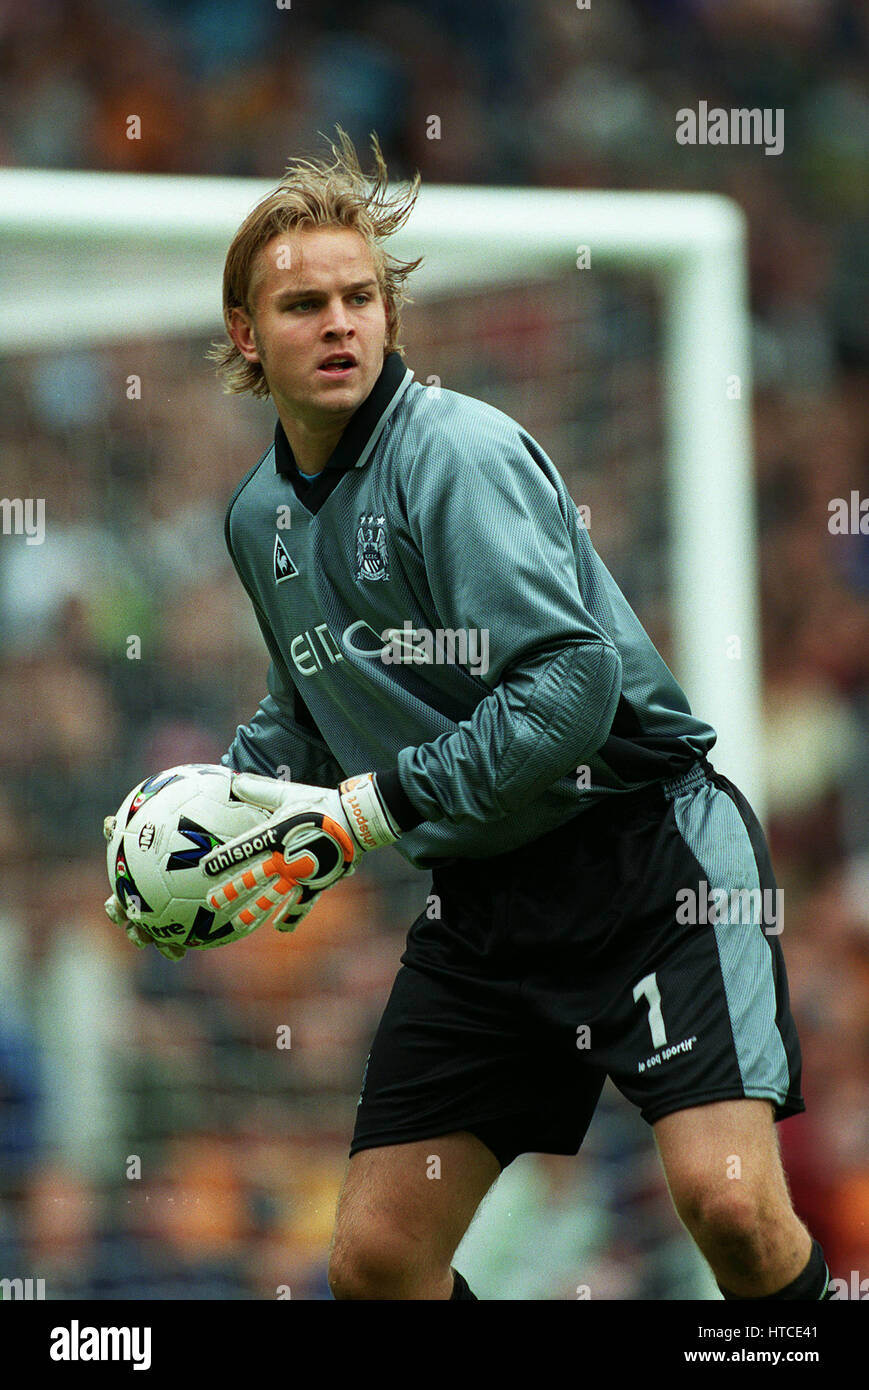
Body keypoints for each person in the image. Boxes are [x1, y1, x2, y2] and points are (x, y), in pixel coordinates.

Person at [108, 131, 831, 1302]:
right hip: (488, 911)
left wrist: (374, 807)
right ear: (247, 335)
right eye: (303, 305)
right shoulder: (257, 520)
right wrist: (213, 817)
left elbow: (570, 688)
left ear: (390, 315)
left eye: (359, 297)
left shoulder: (456, 455)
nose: (338, 323)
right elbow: (313, 695)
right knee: (377, 1261)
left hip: (646, 865)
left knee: (734, 1210)